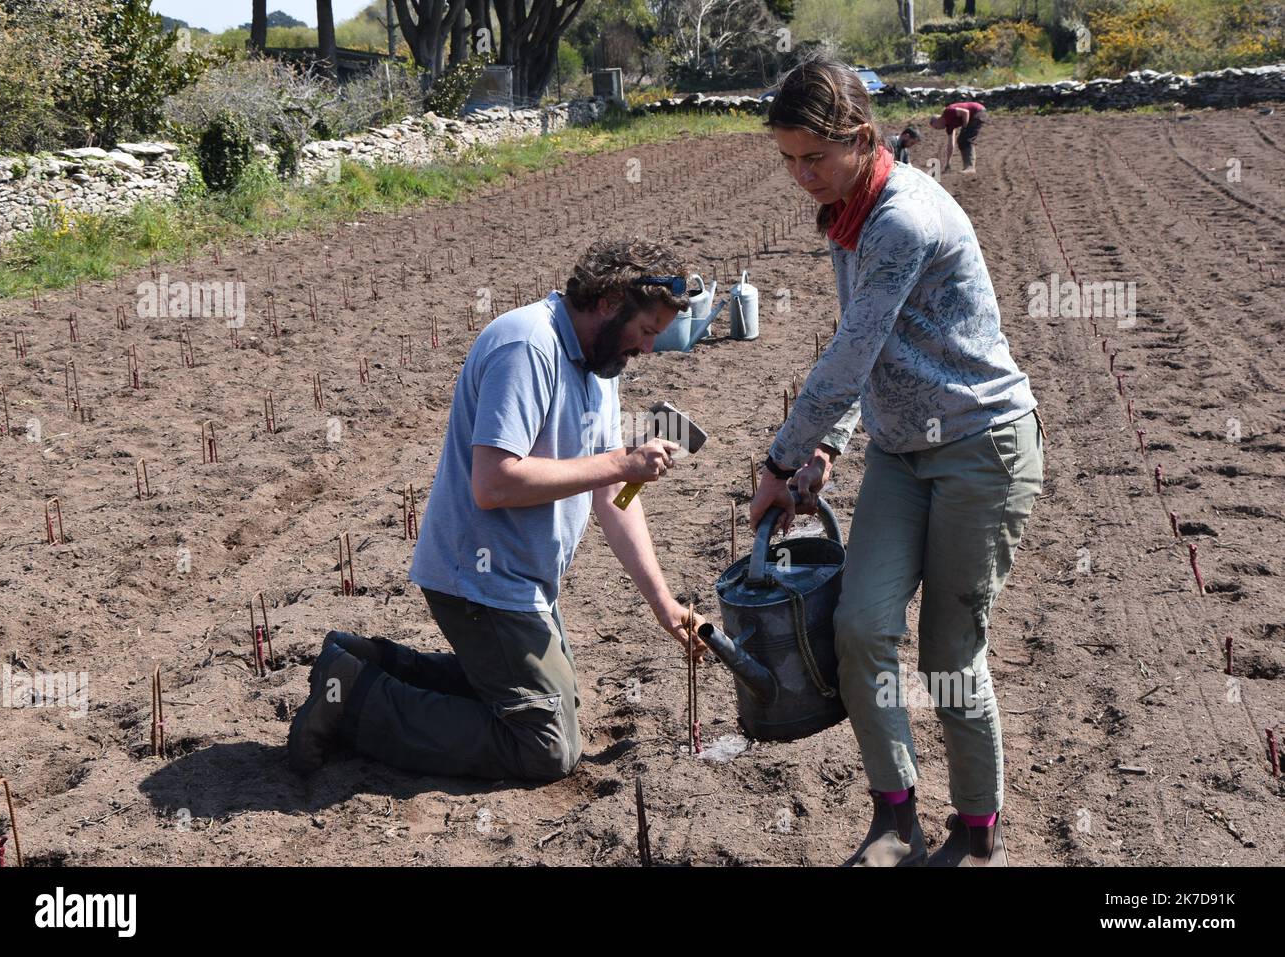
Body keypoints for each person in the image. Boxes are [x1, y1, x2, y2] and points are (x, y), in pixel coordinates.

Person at [754, 56, 1044, 866]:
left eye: (814, 156)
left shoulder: (900, 219)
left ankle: (976, 832)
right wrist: (826, 445)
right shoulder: (848, 211)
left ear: (858, 136)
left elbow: (848, 356)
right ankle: (895, 815)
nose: (800, 175)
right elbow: (870, 352)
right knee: (860, 624)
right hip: (900, 452)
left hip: (980, 447)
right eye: (787, 159)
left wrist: (778, 463)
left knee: (950, 654)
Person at [288, 238, 707, 782]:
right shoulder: (528, 346)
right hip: (479, 581)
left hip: (521, 579)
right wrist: (620, 464)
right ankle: (352, 704)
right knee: (546, 746)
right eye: (647, 330)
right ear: (609, 302)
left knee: (555, 704)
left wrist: (663, 602)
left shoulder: (600, 364)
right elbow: (495, 483)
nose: (648, 348)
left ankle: (359, 667)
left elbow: (609, 493)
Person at [929, 100, 985, 173]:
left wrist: (965, 127)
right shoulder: (949, 127)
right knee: (962, 140)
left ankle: (970, 167)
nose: (938, 129)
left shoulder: (948, 112)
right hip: (975, 115)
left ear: (937, 121)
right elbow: (951, 144)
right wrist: (948, 162)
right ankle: (968, 167)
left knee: (965, 139)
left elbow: (966, 112)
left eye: (936, 127)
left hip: (978, 112)